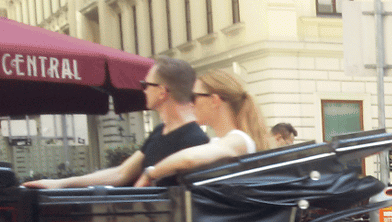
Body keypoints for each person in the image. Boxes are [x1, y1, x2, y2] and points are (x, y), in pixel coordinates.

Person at [23, 57, 209, 189]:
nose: (143, 90)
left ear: (162, 92)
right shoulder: (161, 130)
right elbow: (121, 173)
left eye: (145, 85)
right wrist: (61, 183)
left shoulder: (195, 139)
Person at [134, 68, 270, 186]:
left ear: (214, 101)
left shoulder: (240, 139)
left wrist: (150, 173)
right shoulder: (221, 141)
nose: (191, 103)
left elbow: (189, 159)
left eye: (194, 97)